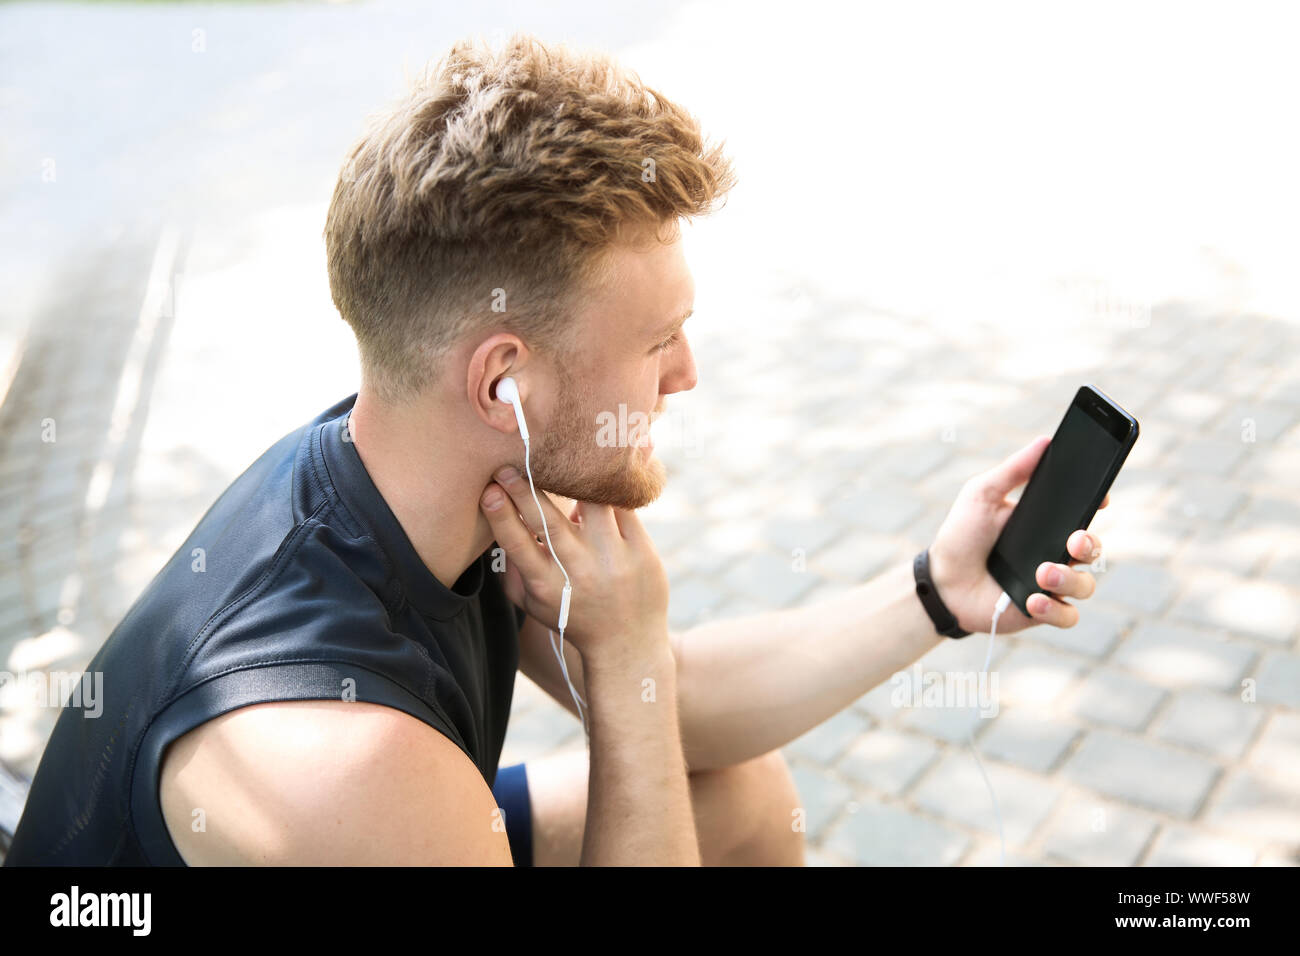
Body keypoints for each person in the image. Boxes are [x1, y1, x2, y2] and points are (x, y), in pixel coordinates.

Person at [4, 32, 1108, 867]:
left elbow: (680, 698)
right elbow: (637, 691)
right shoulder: (337, 760)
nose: (686, 376)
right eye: (659, 340)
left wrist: (935, 590)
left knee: (746, 795)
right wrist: (619, 659)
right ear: (503, 381)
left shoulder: (433, 477)